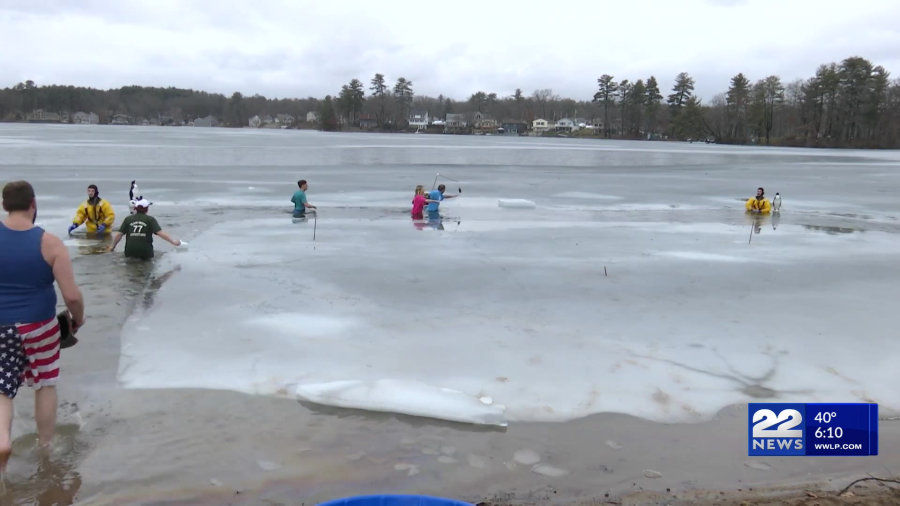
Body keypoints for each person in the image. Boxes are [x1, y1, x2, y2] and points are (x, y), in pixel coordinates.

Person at [0, 181, 85, 470]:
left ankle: (2, 440)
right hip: (40, 326)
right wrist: (78, 318)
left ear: (3, 205)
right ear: (33, 204)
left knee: (2, 388)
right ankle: (46, 448)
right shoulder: (50, 242)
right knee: (45, 384)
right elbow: (71, 295)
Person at [108, 199, 181, 259]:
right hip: (146, 251)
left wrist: (112, 246)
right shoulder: (150, 219)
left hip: (130, 251)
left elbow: (119, 234)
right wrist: (173, 242)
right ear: (147, 208)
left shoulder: (128, 219)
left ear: (135, 208)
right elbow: (160, 233)